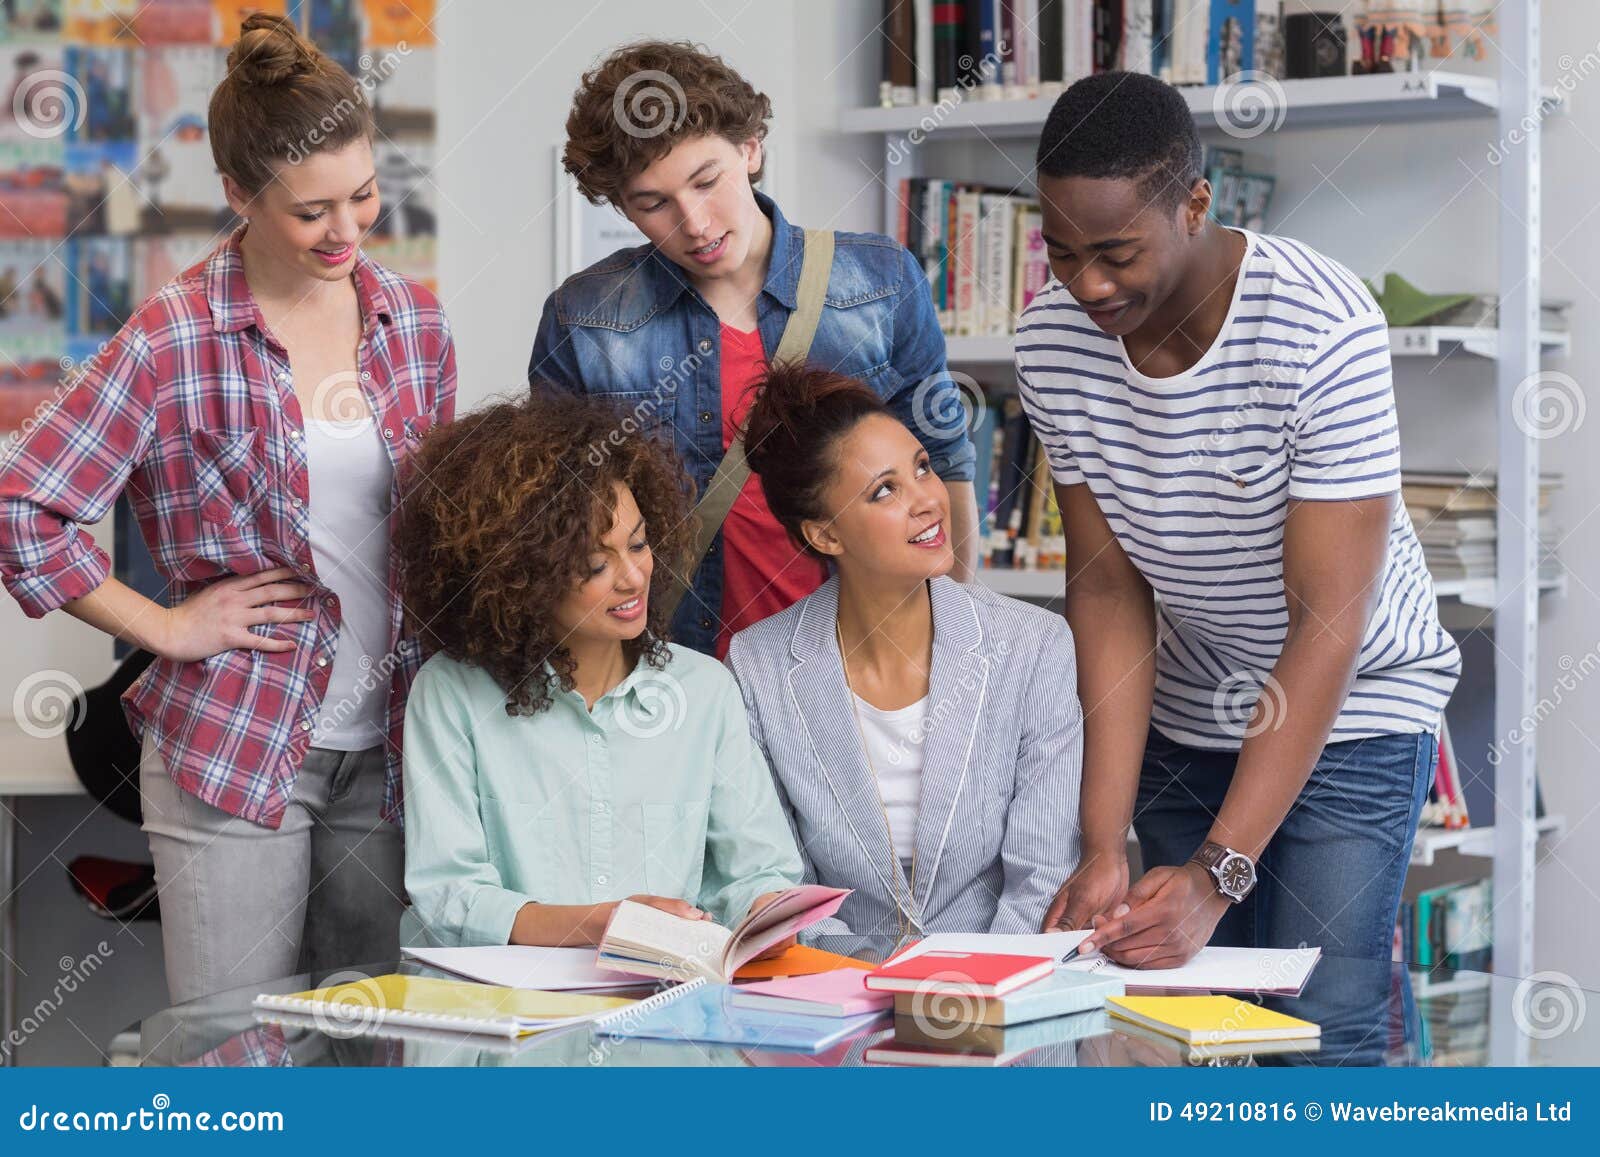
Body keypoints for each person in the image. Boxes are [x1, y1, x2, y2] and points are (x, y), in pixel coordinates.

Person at [0, 14, 456, 1002]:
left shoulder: (413, 321)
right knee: (235, 1055)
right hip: (239, 738)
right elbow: (24, 506)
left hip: (393, 749)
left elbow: (436, 532)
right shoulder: (174, 336)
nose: (347, 231)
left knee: (371, 1054)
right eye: (311, 212)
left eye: (364, 195)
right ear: (239, 196)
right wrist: (164, 622)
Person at [1019, 73, 1460, 966]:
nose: (1088, 285)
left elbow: (1327, 620)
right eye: (1062, 253)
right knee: (1198, 1019)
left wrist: (1219, 871)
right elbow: (1106, 589)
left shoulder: (1321, 327)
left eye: (1116, 251)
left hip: (1356, 703)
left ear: (1194, 204)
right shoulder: (1050, 341)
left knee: (1316, 1014)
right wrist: (1103, 842)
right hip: (1188, 707)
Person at [530, 40, 979, 659]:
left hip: (863, 659)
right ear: (622, 207)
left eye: (706, 181)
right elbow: (563, 525)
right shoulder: (583, 319)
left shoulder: (881, 282)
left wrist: (951, 639)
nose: (694, 223)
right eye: (653, 204)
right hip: (673, 670)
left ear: (750, 148)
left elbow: (945, 465)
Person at [397, 393, 803, 950]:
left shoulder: (704, 691)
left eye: (638, 544)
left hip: (663, 1009)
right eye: (595, 564)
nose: (633, 578)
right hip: (503, 1013)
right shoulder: (452, 693)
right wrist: (603, 925)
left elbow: (758, 871)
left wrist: (766, 911)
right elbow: (449, 895)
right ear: (520, 575)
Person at [725, 364, 1083, 940]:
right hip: (838, 1002)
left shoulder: (1034, 646)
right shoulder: (758, 666)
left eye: (922, 468)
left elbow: (1042, 876)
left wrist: (964, 994)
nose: (927, 501)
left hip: (1000, 997)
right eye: (884, 490)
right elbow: (777, 882)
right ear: (825, 535)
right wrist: (869, 985)